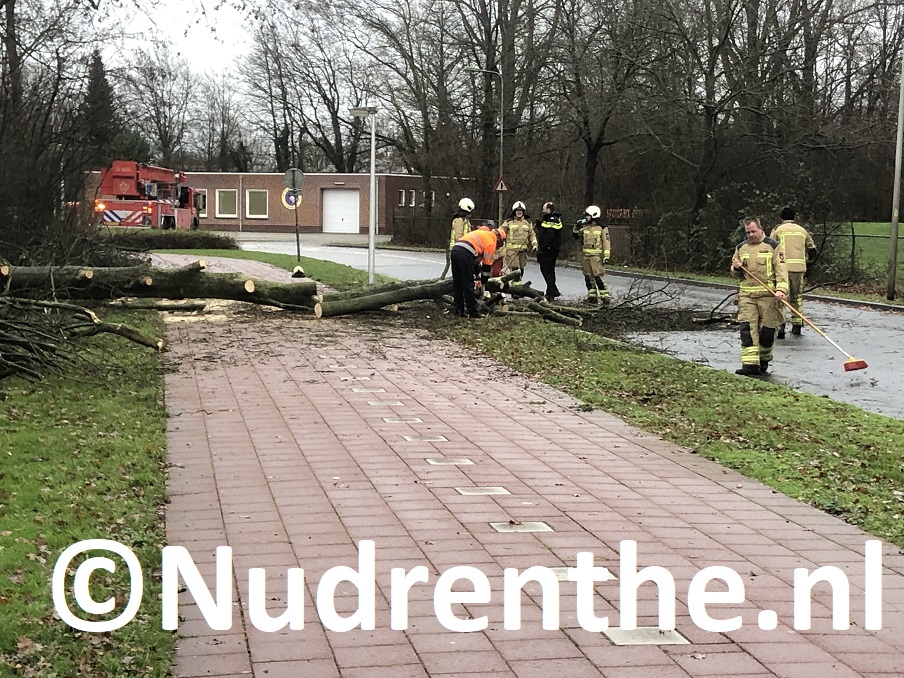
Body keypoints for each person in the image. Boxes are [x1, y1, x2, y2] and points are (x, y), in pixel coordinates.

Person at [731, 217, 789, 376]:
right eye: (747, 232)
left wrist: (781, 290)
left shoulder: (774, 247)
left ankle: (763, 359)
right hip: (747, 297)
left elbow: (782, 271)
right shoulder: (741, 248)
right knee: (747, 329)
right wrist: (736, 268)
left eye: (753, 231)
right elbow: (735, 273)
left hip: (769, 297)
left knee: (767, 332)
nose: (750, 235)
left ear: (761, 229)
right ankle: (750, 365)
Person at [770, 207, 817, 338]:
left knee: (781, 297)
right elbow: (812, 249)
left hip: (782, 269)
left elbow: (770, 247)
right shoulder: (802, 231)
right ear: (794, 217)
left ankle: (780, 328)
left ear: (781, 218)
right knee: (797, 298)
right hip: (799, 269)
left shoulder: (778, 230)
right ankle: (797, 326)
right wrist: (808, 263)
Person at [450, 226, 507, 318]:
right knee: (468, 283)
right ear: (499, 239)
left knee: (457, 282)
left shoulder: (482, 234)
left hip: (456, 250)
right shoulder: (491, 242)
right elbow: (486, 266)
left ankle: (458, 310)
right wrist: (484, 281)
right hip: (465, 253)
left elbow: (475, 258)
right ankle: (473, 312)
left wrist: (476, 271)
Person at [572, 205, 611, 304]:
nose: (586, 217)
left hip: (596, 257)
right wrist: (577, 226)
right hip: (586, 256)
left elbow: (606, 242)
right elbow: (576, 235)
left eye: (588, 215)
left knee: (598, 277)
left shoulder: (602, 228)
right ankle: (592, 298)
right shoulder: (586, 228)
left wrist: (606, 255)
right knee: (588, 277)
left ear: (594, 215)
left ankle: (605, 298)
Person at [535, 201, 564, 300]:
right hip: (549, 250)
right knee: (548, 271)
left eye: (544, 209)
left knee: (547, 271)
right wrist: (539, 226)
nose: (543, 211)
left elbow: (550, 236)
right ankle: (553, 290)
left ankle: (551, 292)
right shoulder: (548, 219)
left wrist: (544, 248)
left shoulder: (552, 220)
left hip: (549, 250)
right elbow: (545, 232)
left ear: (549, 209)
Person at [500, 201, 536, 277]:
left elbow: (532, 235)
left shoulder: (527, 223)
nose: (519, 213)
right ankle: (516, 284)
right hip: (512, 252)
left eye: (521, 211)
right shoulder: (508, 222)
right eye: (517, 211)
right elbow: (501, 232)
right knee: (515, 269)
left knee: (521, 269)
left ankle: (517, 283)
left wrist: (534, 244)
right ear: (514, 212)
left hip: (523, 251)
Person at [441, 198, 474, 278]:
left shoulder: (465, 220)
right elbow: (458, 236)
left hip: (461, 248)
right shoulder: (459, 220)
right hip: (457, 249)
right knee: (456, 270)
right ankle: (442, 282)